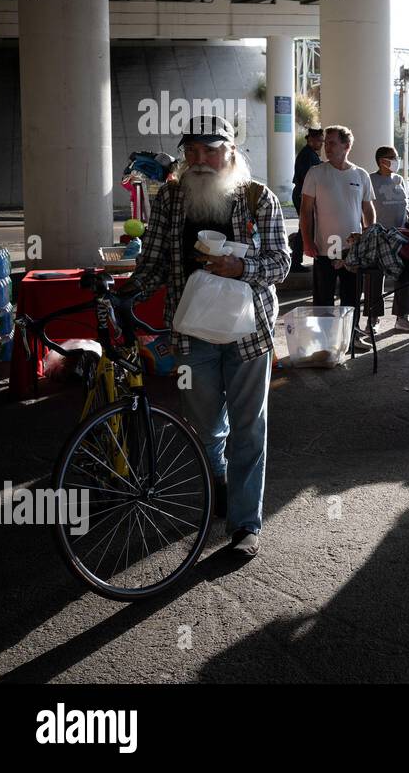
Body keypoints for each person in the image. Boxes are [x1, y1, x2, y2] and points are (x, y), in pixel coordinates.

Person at [128, 116, 290, 557]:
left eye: (210, 150)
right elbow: (155, 260)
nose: (200, 160)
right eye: (192, 151)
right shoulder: (171, 200)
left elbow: (281, 263)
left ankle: (244, 525)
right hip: (191, 333)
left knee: (248, 429)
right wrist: (127, 293)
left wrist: (242, 268)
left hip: (249, 334)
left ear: (231, 152)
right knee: (202, 429)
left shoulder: (258, 199)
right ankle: (218, 480)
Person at [299, 125, 376, 349]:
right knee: (323, 297)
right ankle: (323, 341)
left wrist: (368, 237)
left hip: (353, 247)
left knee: (352, 295)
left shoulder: (360, 174)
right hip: (325, 246)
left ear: (347, 146)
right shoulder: (316, 172)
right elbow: (305, 210)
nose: (327, 147)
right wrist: (306, 241)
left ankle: (351, 336)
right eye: (325, 143)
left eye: (332, 143)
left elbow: (368, 209)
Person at [365, 145, 409, 333]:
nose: (396, 161)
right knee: (375, 278)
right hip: (379, 236)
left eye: (397, 157)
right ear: (381, 161)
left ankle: (402, 318)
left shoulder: (399, 179)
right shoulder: (370, 180)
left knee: (404, 276)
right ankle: (373, 319)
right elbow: (363, 207)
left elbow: (404, 205)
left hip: (401, 236)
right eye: (393, 158)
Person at [288, 127, 323, 272]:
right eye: (319, 141)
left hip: (302, 192)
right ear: (311, 139)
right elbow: (308, 177)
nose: (321, 144)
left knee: (305, 227)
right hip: (302, 193)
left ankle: (296, 259)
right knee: (305, 226)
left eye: (322, 141)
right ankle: (296, 260)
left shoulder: (309, 154)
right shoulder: (308, 155)